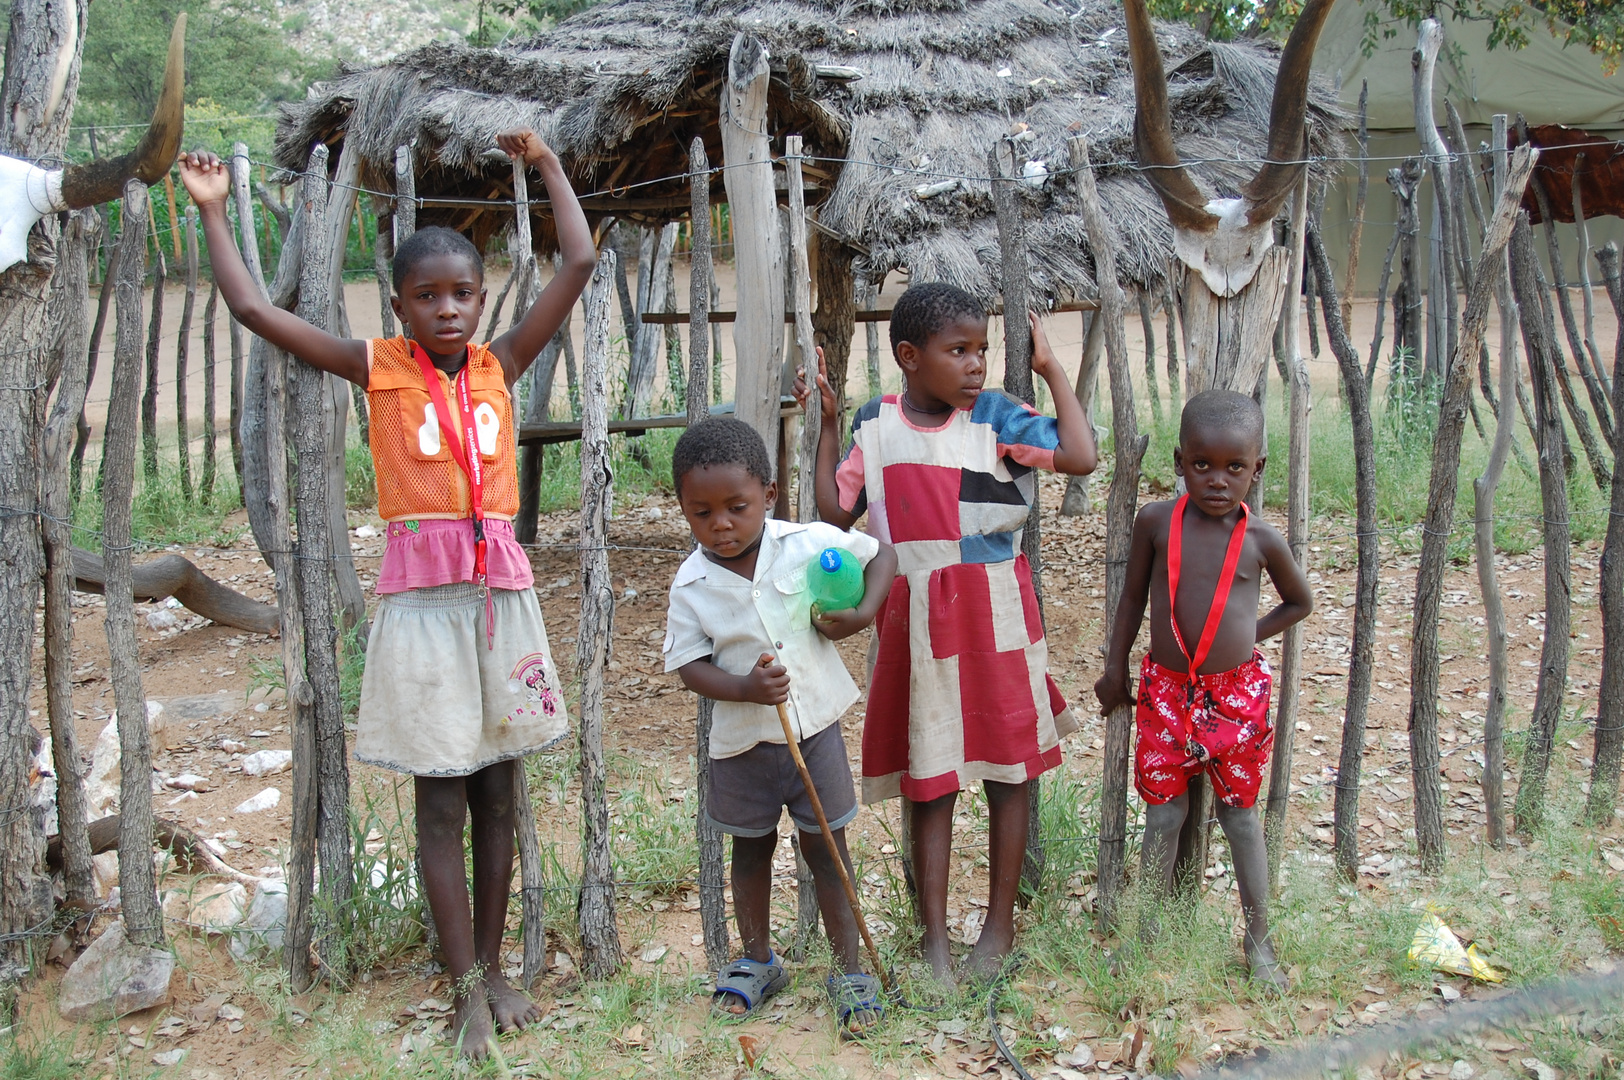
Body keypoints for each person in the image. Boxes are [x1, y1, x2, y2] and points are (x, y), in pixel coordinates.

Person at [178, 131, 596, 1058]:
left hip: (500, 600)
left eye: (463, 295)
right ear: (398, 303)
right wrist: (213, 211)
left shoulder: (500, 364)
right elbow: (251, 308)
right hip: (419, 608)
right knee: (440, 803)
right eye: (428, 296)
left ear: (481, 301)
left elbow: (576, 259)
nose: (448, 310)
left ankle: (491, 971)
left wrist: (548, 165)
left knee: (499, 794)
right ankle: (460, 990)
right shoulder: (378, 369)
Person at [798, 283, 1098, 984]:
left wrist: (1053, 370)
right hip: (913, 612)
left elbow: (1080, 457)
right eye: (957, 350)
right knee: (928, 778)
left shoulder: (999, 417)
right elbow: (834, 512)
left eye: (982, 350)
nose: (975, 365)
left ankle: (998, 927)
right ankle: (933, 937)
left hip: (994, 607)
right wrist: (830, 425)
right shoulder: (875, 425)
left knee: (1008, 769)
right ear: (909, 356)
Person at [663, 417, 898, 1037]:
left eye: (736, 507)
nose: (720, 524)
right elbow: (688, 664)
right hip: (741, 747)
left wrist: (861, 614)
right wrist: (743, 689)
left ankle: (850, 970)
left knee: (827, 846)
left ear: (767, 495)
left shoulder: (804, 542)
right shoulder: (691, 584)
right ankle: (759, 959)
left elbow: (883, 554)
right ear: (684, 511)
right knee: (751, 850)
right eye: (701, 512)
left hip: (814, 729)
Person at [1093, 389, 1312, 990]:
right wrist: (1116, 668)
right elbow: (1133, 597)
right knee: (1164, 815)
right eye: (1202, 464)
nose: (1218, 480)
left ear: (1257, 468)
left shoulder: (1262, 540)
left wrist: (1246, 638)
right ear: (1179, 460)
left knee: (1242, 819)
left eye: (1235, 467)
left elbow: (1301, 603)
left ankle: (1260, 942)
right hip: (1165, 692)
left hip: (1236, 698)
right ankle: (1145, 937)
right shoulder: (1156, 522)